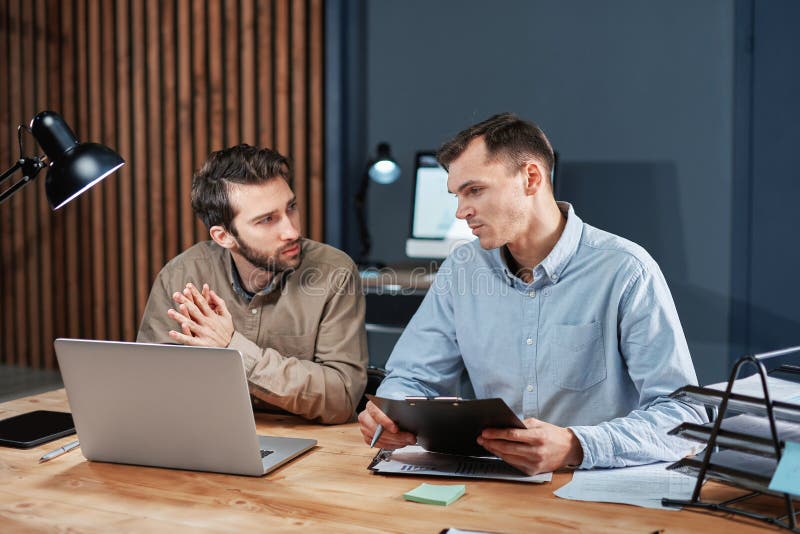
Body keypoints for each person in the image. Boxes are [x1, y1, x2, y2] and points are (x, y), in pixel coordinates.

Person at [358, 113, 706, 473]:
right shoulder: (462, 268)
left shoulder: (626, 270)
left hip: (591, 490)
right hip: (491, 484)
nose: (461, 212)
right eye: (457, 195)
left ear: (531, 178)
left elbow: (685, 419)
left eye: (474, 190)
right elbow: (411, 377)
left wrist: (577, 446)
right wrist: (390, 413)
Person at [138, 144, 367, 424]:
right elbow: (152, 388)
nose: (292, 231)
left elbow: (341, 397)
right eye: (267, 220)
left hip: (312, 446)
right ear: (224, 237)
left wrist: (234, 349)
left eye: (291, 207)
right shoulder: (182, 275)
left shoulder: (334, 273)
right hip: (205, 434)